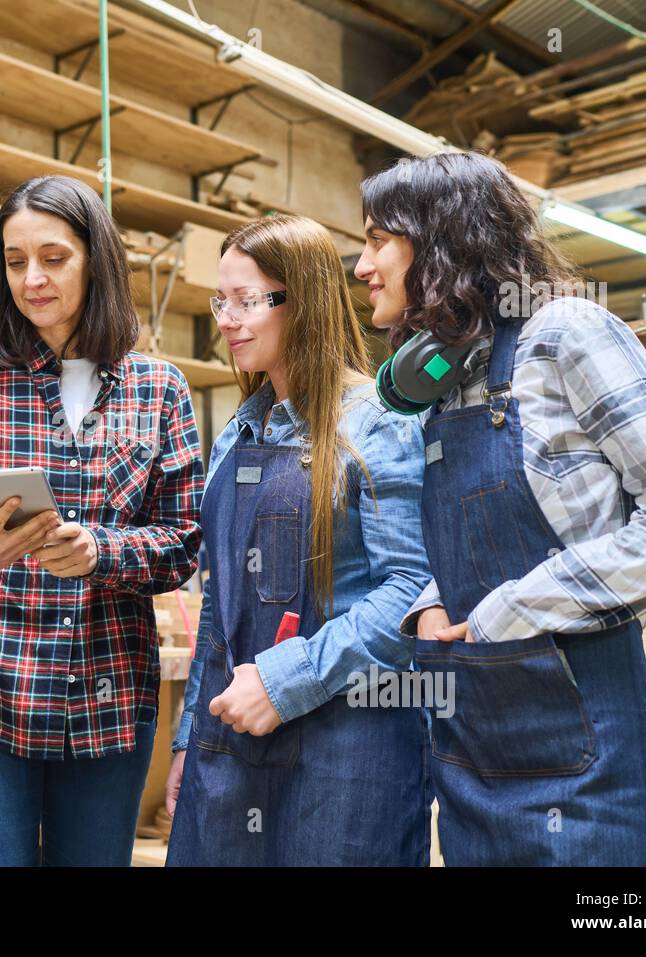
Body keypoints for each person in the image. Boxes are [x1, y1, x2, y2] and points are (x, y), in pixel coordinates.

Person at [358, 151, 646, 865]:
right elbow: (469, 552)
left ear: (441, 239)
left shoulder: (566, 334)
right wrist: (433, 603)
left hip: (595, 774)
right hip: (473, 773)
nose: (362, 265)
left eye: (379, 239)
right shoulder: (444, 386)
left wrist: (513, 609)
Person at [0, 175, 203, 866]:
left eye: (54, 257)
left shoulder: (160, 390)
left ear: (96, 259)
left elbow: (183, 541)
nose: (31, 278)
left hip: (106, 700)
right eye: (14, 261)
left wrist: (103, 550)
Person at [165, 214, 433, 866]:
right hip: (228, 744)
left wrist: (286, 680)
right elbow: (219, 608)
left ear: (304, 301)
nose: (227, 319)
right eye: (219, 300)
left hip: (348, 754)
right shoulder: (239, 433)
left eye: (248, 300)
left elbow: (413, 595)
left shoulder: (378, 423)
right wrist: (186, 739)